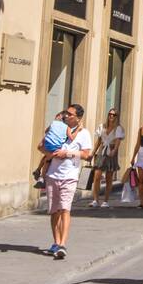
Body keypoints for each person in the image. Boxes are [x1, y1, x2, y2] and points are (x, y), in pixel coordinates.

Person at [42, 103, 91, 259]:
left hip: (70, 175)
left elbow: (86, 154)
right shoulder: (57, 129)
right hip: (52, 175)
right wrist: (50, 155)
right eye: (66, 113)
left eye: (70, 114)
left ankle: (63, 244)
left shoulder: (84, 134)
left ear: (78, 117)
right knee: (54, 210)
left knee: (65, 209)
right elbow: (41, 146)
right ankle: (55, 242)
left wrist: (67, 153)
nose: (67, 116)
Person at [90, 109, 125, 208]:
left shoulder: (118, 128)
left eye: (114, 115)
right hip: (102, 151)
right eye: (110, 114)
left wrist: (115, 150)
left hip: (111, 150)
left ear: (116, 116)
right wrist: (93, 152)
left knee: (109, 177)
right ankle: (95, 200)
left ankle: (105, 200)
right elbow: (99, 140)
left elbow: (118, 141)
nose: (111, 116)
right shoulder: (102, 126)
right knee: (97, 176)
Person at [33, 110, 66, 189]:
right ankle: (41, 176)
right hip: (55, 146)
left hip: (48, 143)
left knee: (46, 156)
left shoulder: (54, 124)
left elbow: (46, 131)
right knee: (48, 158)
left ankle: (38, 170)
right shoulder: (65, 127)